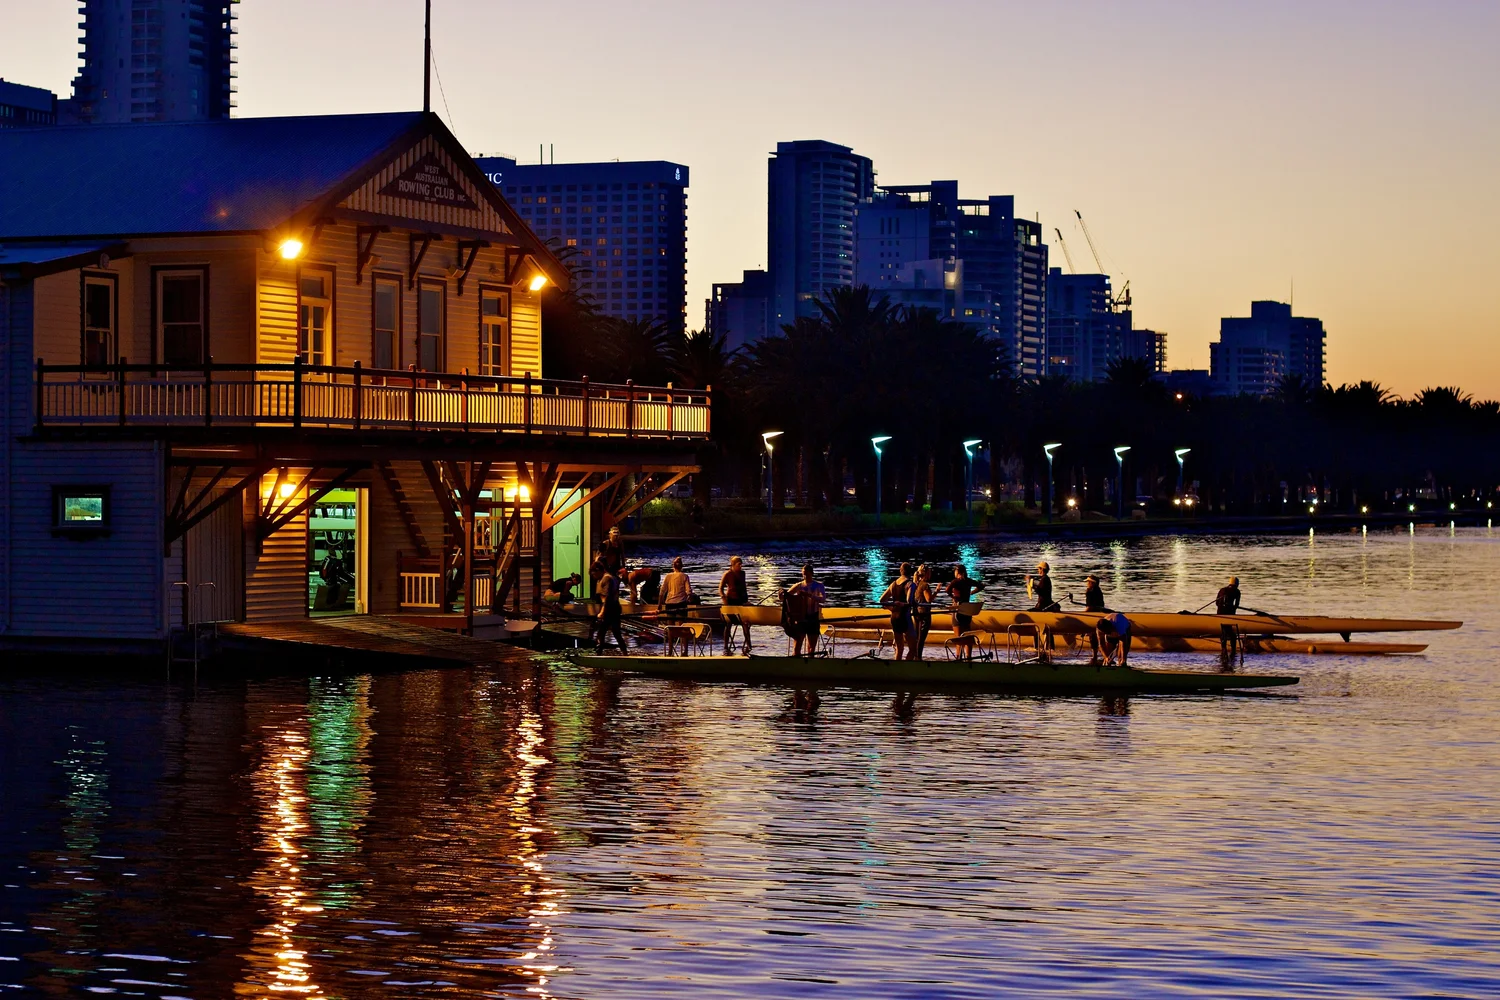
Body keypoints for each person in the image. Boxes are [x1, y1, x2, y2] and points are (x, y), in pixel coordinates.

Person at [784, 563, 828, 657]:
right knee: (797, 645)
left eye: (807, 574)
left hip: (813, 617)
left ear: (811, 573)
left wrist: (810, 596)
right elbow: (786, 596)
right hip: (801, 617)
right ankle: (795, 661)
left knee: (811, 647)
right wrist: (781, 595)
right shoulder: (799, 585)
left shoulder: (818, 585)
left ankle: (809, 663)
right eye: (803, 574)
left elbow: (823, 599)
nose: (805, 576)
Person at [880, 562, 919, 661]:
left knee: (899, 648)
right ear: (910, 572)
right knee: (913, 648)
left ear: (900, 571)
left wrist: (891, 608)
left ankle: (897, 669)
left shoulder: (893, 584)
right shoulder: (910, 584)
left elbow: (882, 600)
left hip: (894, 617)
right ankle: (906, 667)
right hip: (904, 617)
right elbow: (909, 601)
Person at [719, 555, 752, 652]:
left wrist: (746, 600)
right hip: (730, 601)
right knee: (728, 624)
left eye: (741, 564)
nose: (741, 566)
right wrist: (723, 598)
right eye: (739, 564)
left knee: (745, 624)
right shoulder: (728, 574)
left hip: (741, 601)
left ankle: (749, 645)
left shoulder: (743, 573)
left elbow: (744, 587)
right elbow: (720, 588)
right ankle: (725, 646)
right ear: (733, 565)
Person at [947, 565, 986, 643]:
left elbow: (947, 590)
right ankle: (968, 655)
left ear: (957, 572)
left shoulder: (955, 581)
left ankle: (958, 655)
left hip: (958, 609)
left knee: (958, 637)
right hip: (967, 610)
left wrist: (953, 597)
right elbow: (981, 586)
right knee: (967, 635)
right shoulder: (968, 581)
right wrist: (971, 592)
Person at [593, 565, 627, 654]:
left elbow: (606, 597)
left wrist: (602, 612)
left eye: (594, 574)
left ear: (598, 571)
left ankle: (599, 653)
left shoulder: (606, 579)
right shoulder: (606, 578)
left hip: (611, 608)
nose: (594, 577)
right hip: (614, 607)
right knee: (615, 632)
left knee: (602, 631)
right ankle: (624, 652)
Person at [911, 564, 936, 660]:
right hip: (924, 614)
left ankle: (915, 656)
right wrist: (937, 591)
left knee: (917, 637)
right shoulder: (925, 585)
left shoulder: (916, 584)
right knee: (921, 639)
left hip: (917, 613)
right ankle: (918, 658)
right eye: (929, 573)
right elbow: (929, 599)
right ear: (926, 574)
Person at [657, 556, 693, 621]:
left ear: (673, 566)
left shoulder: (668, 576)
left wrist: (659, 604)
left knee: (670, 624)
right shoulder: (685, 576)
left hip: (669, 603)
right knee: (680, 624)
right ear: (682, 566)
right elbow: (689, 591)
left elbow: (662, 591)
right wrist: (689, 597)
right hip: (681, 603)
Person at [1216, 575, 1242, 662]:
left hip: (1220, 614)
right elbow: (1236, 605)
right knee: (1231, 633)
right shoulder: (1237, 592)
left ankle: (1223, 650)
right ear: (1237, 584)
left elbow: (1217, 603)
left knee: (1224, 631)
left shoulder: (1222, 590)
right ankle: (1233, 651)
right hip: (1230, 614)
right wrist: (1232, 608)